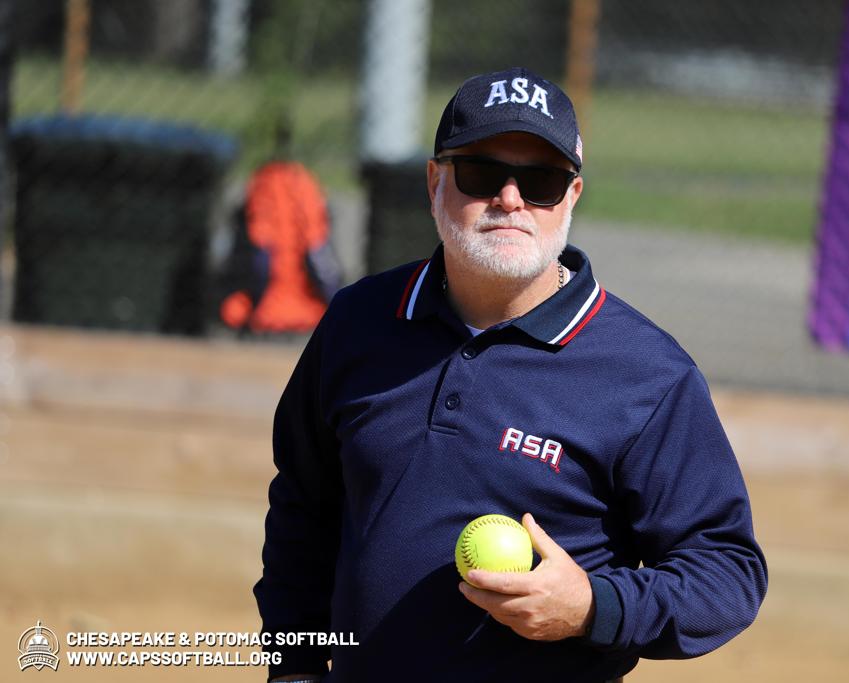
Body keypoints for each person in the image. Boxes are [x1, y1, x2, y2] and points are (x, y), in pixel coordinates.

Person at [254, 67, 767, 683]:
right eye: (481, 172)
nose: (511, 199)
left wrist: (592, 609)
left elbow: (726, 573)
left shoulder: (648, 376)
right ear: (434, 181)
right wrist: (293, 665)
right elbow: (304, 506)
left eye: (542, 180)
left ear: (571, 197)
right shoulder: (359, 321)